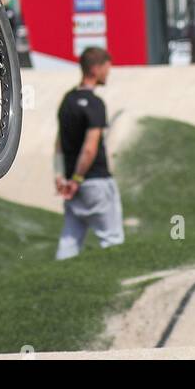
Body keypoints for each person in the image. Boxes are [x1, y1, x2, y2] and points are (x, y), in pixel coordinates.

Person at [55, 48, 124, 260]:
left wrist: (60, 176)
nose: (108, 73)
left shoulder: (67, 100)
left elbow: (58, 144)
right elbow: (90, 148)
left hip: (72, 185)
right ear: (95, 69)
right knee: (113, 241)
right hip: (95, 182)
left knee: (69, 244)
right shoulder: (95, 104)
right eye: (106, 68)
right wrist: (77, 178)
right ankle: (118, 286)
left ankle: (58, 281)